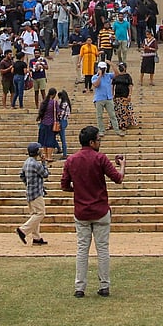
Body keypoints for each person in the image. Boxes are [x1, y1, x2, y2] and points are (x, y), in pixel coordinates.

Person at [61, 125, 125, 297]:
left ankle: (79, 287)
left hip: (81, 211)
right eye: (98, 139)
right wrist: (122, 165)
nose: (99, 142)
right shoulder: (100, 158)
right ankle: (104, 285)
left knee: (82, 249)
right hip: (100, 210)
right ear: (91, 142)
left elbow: (64, 185)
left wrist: (78, 190)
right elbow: (118, 178)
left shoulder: (71, 160)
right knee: (102, 249)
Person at [17, 142, 50, 246]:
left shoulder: (26, 162)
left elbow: (21, 175)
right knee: (40, 213)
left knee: (34, 214)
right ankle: (23, 230)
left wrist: (28, 183)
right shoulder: (36, 164)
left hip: (29, 192)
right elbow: (45, 174)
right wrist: (44, 162)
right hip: (36, 192)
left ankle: (36, 238)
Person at [92, 61, 123, 137]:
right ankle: (101, 130)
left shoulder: (108, 75)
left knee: (112, 115)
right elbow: (96, 85)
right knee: (99, 116)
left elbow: (117, 74)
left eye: (104, 68)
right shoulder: (94, 77)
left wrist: (111, 64)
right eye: (101, 68)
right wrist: (99, 75)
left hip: (108, 98)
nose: (103, 70)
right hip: (99, 99)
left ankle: (117, 130)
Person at [112, 62, 138, 130]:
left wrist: (129, 95)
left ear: (125, 68)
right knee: (117, 110)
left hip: (125, 96)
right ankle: (117, 124)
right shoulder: (116, 76)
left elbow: (130, 85)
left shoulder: (127, 76)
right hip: (117, 96)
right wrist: (112, 94)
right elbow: (113, 85)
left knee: (124, 111)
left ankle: (124, 124)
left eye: (122, 66)